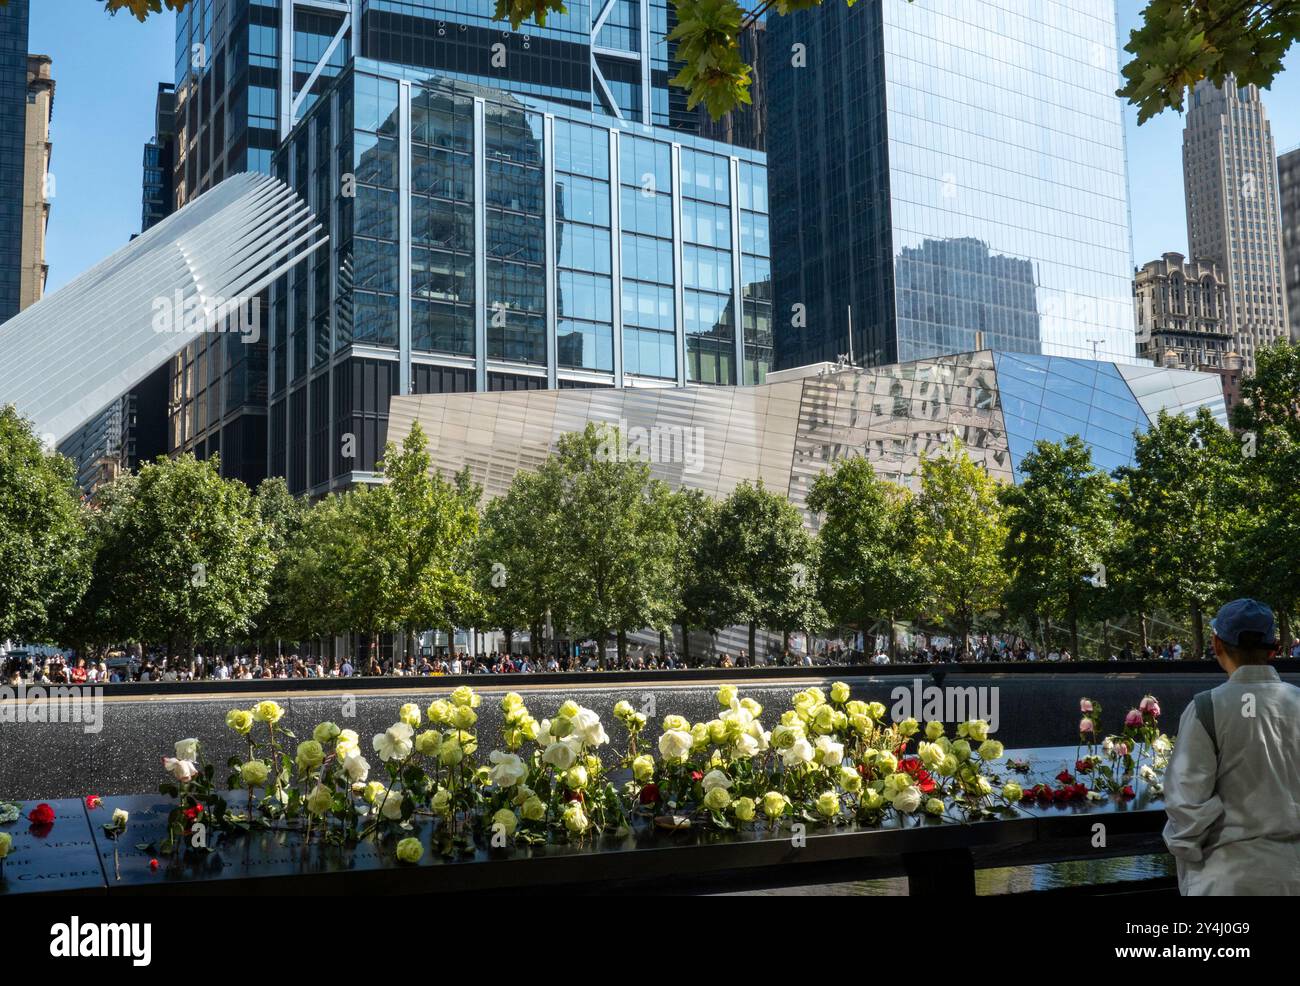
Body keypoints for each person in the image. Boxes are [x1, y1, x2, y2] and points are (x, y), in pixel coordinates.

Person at [1162, 598, 1300, 895]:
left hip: (1228, 878)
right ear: (1274, 648)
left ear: (1217, 644)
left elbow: (1185, 805)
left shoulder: (1206, 709)